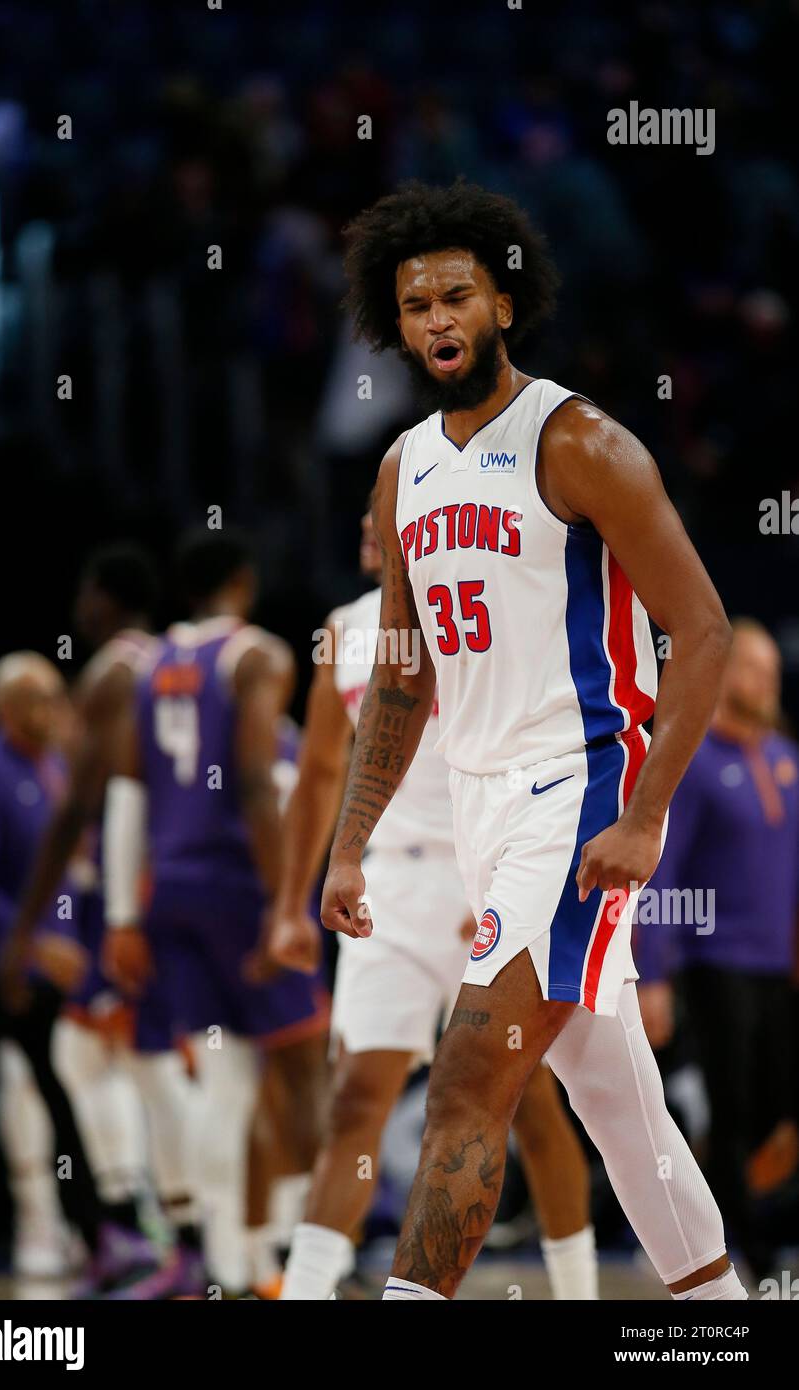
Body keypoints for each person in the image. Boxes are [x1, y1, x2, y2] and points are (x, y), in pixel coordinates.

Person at [320, 179, 745, 1301]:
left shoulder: (578, 441)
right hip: (477, 802)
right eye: (414, 306)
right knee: (616, 1099)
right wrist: (349, 842)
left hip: (576, 789)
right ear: (390, 321)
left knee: (467, 1079)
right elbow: (402, 678)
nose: (435, 321)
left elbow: (699, 630)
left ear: (502, 304)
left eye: (456, 297)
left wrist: (643, 812)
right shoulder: (401, 469)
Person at [271, 509, 597, 1299]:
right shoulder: (343, 631)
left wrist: (500, 876)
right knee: (356, 1100)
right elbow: (320, 772)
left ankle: (579, 1292)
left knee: (533, 1109)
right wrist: (290, 902)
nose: (364, 526)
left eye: (385, 513)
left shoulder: (484, 607)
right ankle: (308, 1291)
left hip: (480, 876)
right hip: (387, 887)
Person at [103, 526, 329, 1297]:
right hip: (239, 884)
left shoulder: (149, 664)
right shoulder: (257, 656)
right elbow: (259, 783)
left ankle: (231, 1263)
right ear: (244, 580)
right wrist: (285, 901)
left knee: (225, 1082)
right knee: (305, 1070)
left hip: (167, 889)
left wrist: (120, 918)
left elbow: (126, 792)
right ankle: (308, 1259)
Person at [0, 652, 142, 1285]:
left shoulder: (54, 767)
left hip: (42, 971)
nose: (52, 708)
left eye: (57, 695)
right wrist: (28, 947)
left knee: (56, 1093)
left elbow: (69, 877)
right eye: (37, 699)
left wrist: (74, 944)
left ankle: (95, 1232)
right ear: (3, 708)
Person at [637, 618, 799, 1278]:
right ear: (724, 674)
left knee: (778, 1109)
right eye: (751, 669)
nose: (764, 682)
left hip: (776, 967)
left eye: (771, 671)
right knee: (730, 1111)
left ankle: (755, 1231)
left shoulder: (786, 758)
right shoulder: (696, 760)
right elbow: (661, 869)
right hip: (714, 959)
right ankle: (744, 1258)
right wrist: (652, 976)